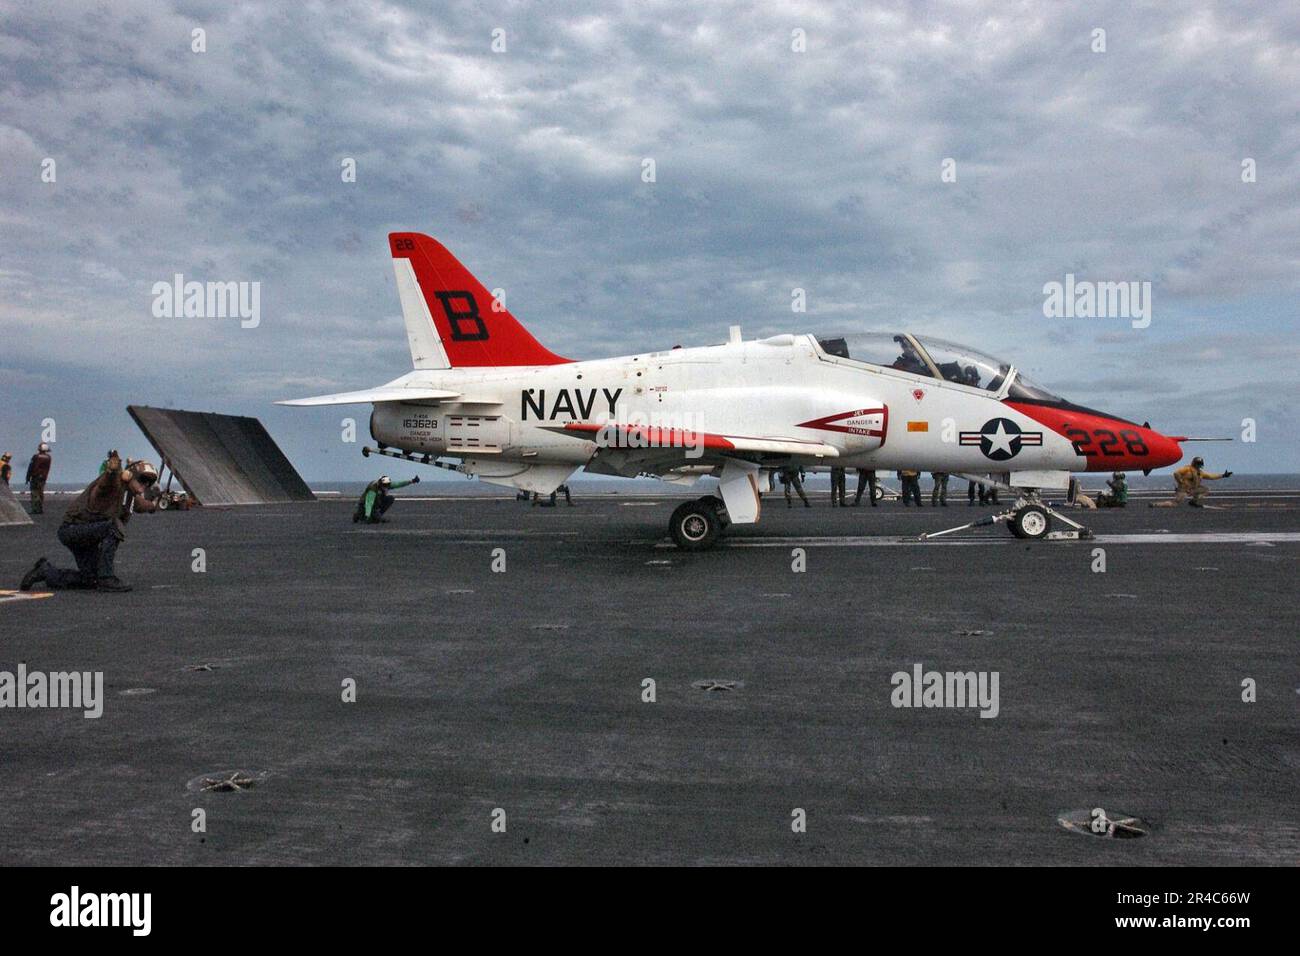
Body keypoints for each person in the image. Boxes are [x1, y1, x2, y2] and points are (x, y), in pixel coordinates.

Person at [19, 452, 157, 593]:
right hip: (73, 529)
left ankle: (46, 571)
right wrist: (113, 470)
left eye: (148, 482)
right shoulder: (114, 485)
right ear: (129, 475)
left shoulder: (129, 496)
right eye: (142, 479)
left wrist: (153, 506)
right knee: (114, 526)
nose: (145, 485)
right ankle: (107, 578)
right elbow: (106, 483)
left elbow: (141, 505)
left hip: (87, 535)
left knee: (90, 579)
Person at [1153, 456, 1231, 508]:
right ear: (1194, 463)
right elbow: (1176, 473)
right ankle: (1156, 504)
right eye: (1198, 464)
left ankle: (1193, 502)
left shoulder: (1200, 472)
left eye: (1199, 464)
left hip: (1192, 490)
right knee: (1174, 504)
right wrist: (1180, 482)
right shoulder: (1187, 469)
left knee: (1205, 490)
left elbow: (1211, 476)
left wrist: (1223, 475)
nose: (1198, 465)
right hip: (1183, 490)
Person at [353, 474, 420, 523]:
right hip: (364, 505)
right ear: (380, 483)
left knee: (390, 498)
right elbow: (369, 503)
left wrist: (412, 481)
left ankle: (378, 514)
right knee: (369, 520)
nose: (386, 487)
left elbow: (399, 484)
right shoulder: (373, 488)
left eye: (387, 485)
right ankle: (359, 515)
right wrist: (367, 515)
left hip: (376, 503)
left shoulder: (387, 485)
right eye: (385, 485)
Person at [26, 442, 52, 514]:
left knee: (34, 493)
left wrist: (28, 477)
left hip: (35, 477)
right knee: (41, 493)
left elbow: (31, 467)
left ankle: (35, 509)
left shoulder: (36, 457)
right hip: (43, 478)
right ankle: (40, 509)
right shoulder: (48, 458)